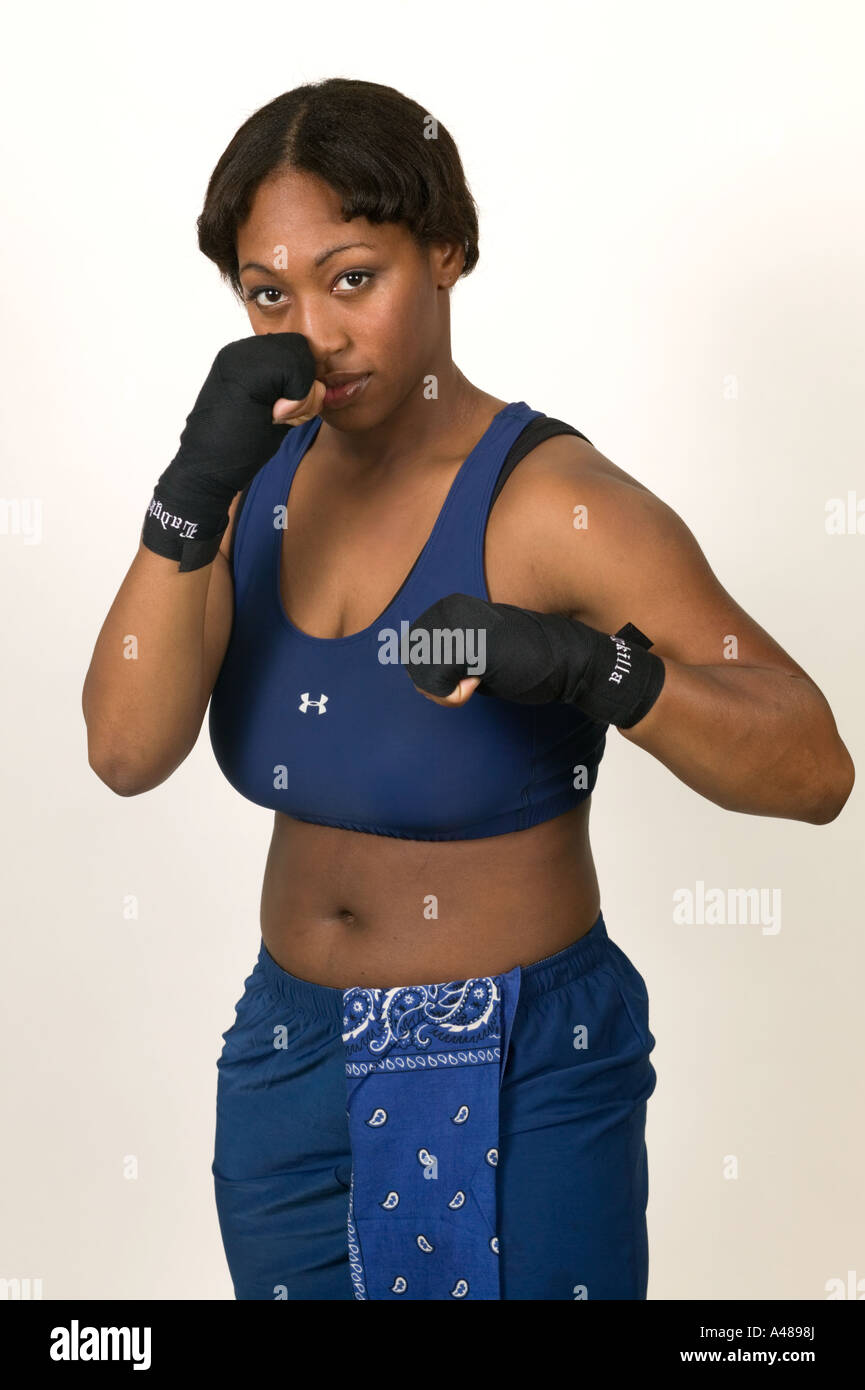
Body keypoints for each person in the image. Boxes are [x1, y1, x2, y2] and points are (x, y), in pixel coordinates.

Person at [82, 77, 855, 1301]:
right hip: (289, 1063)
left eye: (352, 278)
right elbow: (125, 750)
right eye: (267, 292)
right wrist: (192, 487)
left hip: (522, 1065)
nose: (315, 336)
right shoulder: (248, 474)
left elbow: (815, 768)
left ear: (446, 251)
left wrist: (590, 668)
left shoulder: (551, 502)